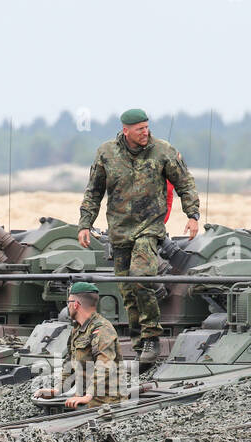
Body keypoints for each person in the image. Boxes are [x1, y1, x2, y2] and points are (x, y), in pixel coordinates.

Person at [78, 108, 199, 366]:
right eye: (139, 129)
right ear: (126, 130)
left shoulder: (163, 150)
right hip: (119, 230)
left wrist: (192, 215)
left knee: (142, 277)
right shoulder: (106, 153)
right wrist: (85, 224)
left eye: (147, 127)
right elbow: (94, 191)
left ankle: (152, 337)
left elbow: (185, 183)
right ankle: (139, 344)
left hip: (150, 227)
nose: (145, 133)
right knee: (128, 290)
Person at [34, 282, 124, 409]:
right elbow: (69, 363)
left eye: (68, 302)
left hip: (106, 400)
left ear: (75, 304)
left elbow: (104, 364)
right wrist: (57, 390)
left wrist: (88, 396)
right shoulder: (78, 329)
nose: (67, 306)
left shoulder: (102, 329)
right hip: (84, 398)